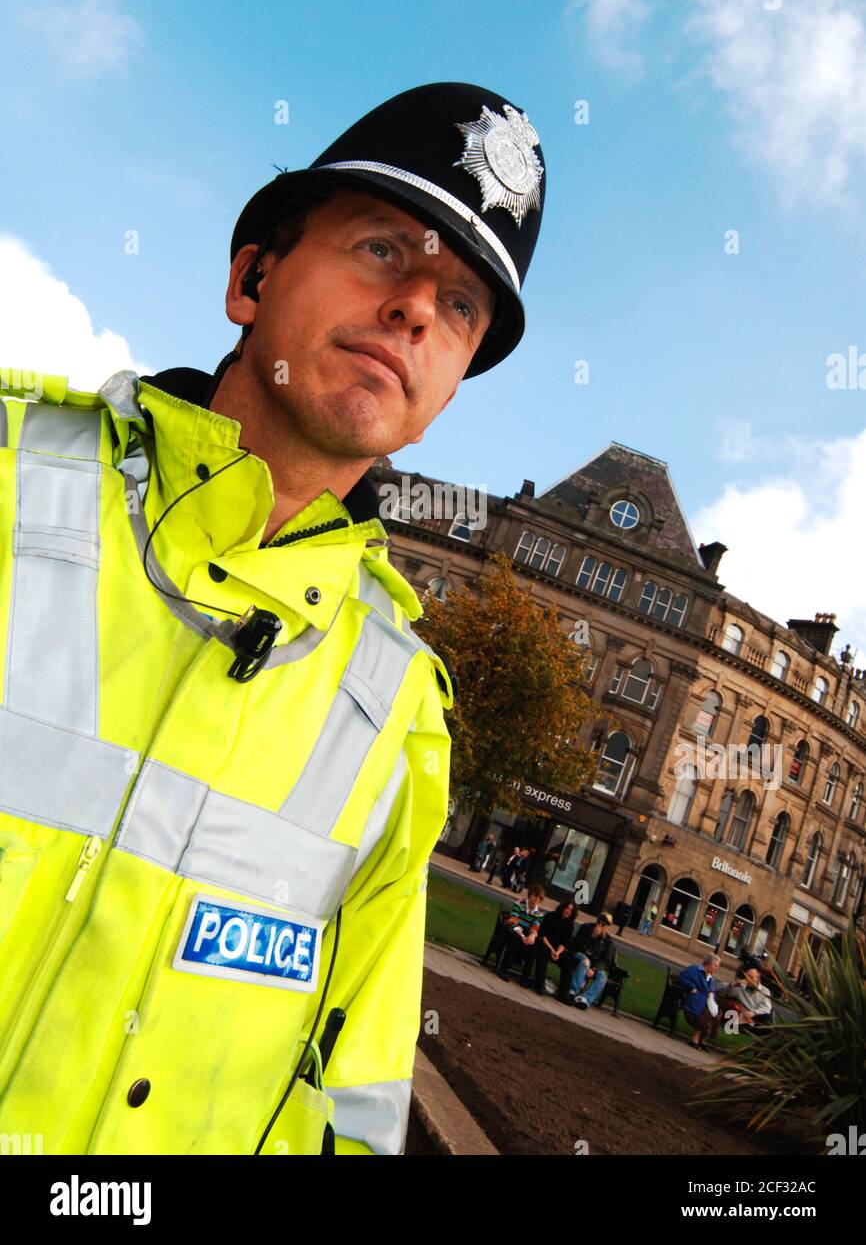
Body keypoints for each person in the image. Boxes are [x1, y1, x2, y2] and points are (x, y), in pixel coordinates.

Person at [0, 81, 547, 1155]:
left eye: (462, 308)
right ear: (251, 276)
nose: (419, 310)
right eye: (387, 250)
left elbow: (356, 1094)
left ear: (441, 398)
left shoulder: (400, 711)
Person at [564, 912, 617, 1009]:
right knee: (585, 961)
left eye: (604, 924)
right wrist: (592, 938)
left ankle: (584, 999)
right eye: (599, 921)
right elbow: (577, 946)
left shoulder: (608, 940)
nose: (600, 925)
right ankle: (573, 992)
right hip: (579, 956)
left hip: (594, 965)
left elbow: (606, 960)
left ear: (607, 926)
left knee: (602, 977)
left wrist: (594, 969)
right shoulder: (586, 927)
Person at [496, 883, 546, 982]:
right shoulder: (519, 904)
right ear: (530, 894)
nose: (537, 899)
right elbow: (514, 922)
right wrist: (523, 936)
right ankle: (504, 969)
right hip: (513, 929)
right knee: (515, 937)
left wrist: (531, 936)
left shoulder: (539, 912)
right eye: (535, 896)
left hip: (527, 932)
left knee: (535, 943)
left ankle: (525, 976)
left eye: (540, 898)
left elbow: (535, 926)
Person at [677, 954, 722, 1050]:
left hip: (705, 1003)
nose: (717, 968)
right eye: (715, 965)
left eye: (718, 966)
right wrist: (692, 986)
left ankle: (702, 1040)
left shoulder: (712, 978)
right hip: (693, 1003)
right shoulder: (694, 969)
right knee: (704, 1014)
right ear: (708, 964)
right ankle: (695, 1039)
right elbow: (681, 977)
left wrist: (712, 996)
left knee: (716, 1015)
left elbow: (712, 992)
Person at [532, 899, 576, 995]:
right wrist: (552, 950)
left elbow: (564, 943)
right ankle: (540, 986)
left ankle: (563, 994)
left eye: (571, 910)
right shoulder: (550, 916)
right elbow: (543, 935)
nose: (568, 911)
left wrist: (557, 952)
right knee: (543, 953)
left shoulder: (570, 925)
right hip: (545, 944)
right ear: (563, 907)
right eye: (567, 908)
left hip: (557, 951)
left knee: (567, 962)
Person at [716, 966, 774, 1032]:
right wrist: (730, 985)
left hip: (756, 1016)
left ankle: (741, 1027)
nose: (749, 979)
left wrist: (753, 1013)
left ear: (758, 979)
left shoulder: (765, 991)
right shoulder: (739, 988)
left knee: (767, 1016)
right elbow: (717, 987)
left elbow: (766, 1008)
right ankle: (735, 1027)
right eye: (747, 977)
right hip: (743, 1016)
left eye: (751, 977)